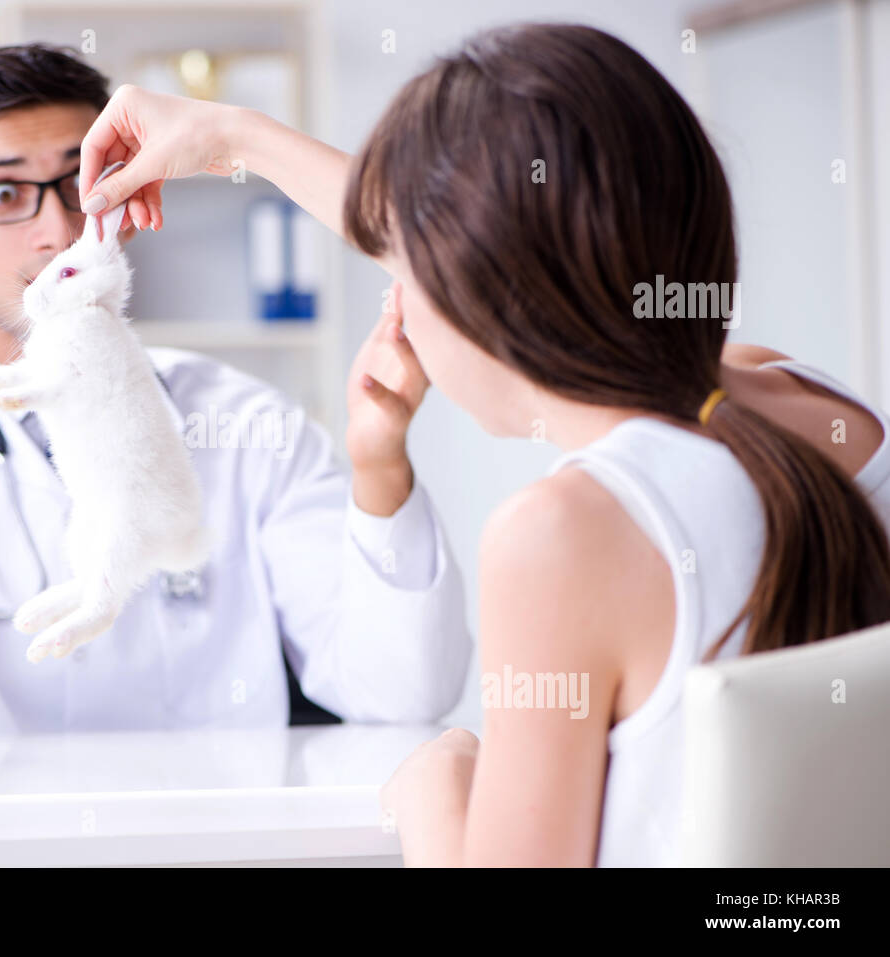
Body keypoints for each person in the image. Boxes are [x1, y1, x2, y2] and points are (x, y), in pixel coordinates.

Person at [81, 23, 890, 865]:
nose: (396, 300)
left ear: (487, 299)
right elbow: (497, 238)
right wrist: (231, 135)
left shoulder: (563, 536)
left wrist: (438, 782)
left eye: (406, 272)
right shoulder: (819, 411)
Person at [0, 44, 471, 737]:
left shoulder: (244, 423)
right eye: (3, 193)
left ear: (127, 207)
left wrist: (380, 468)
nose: (55, 229)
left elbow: (407, 692)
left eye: (81, 184)